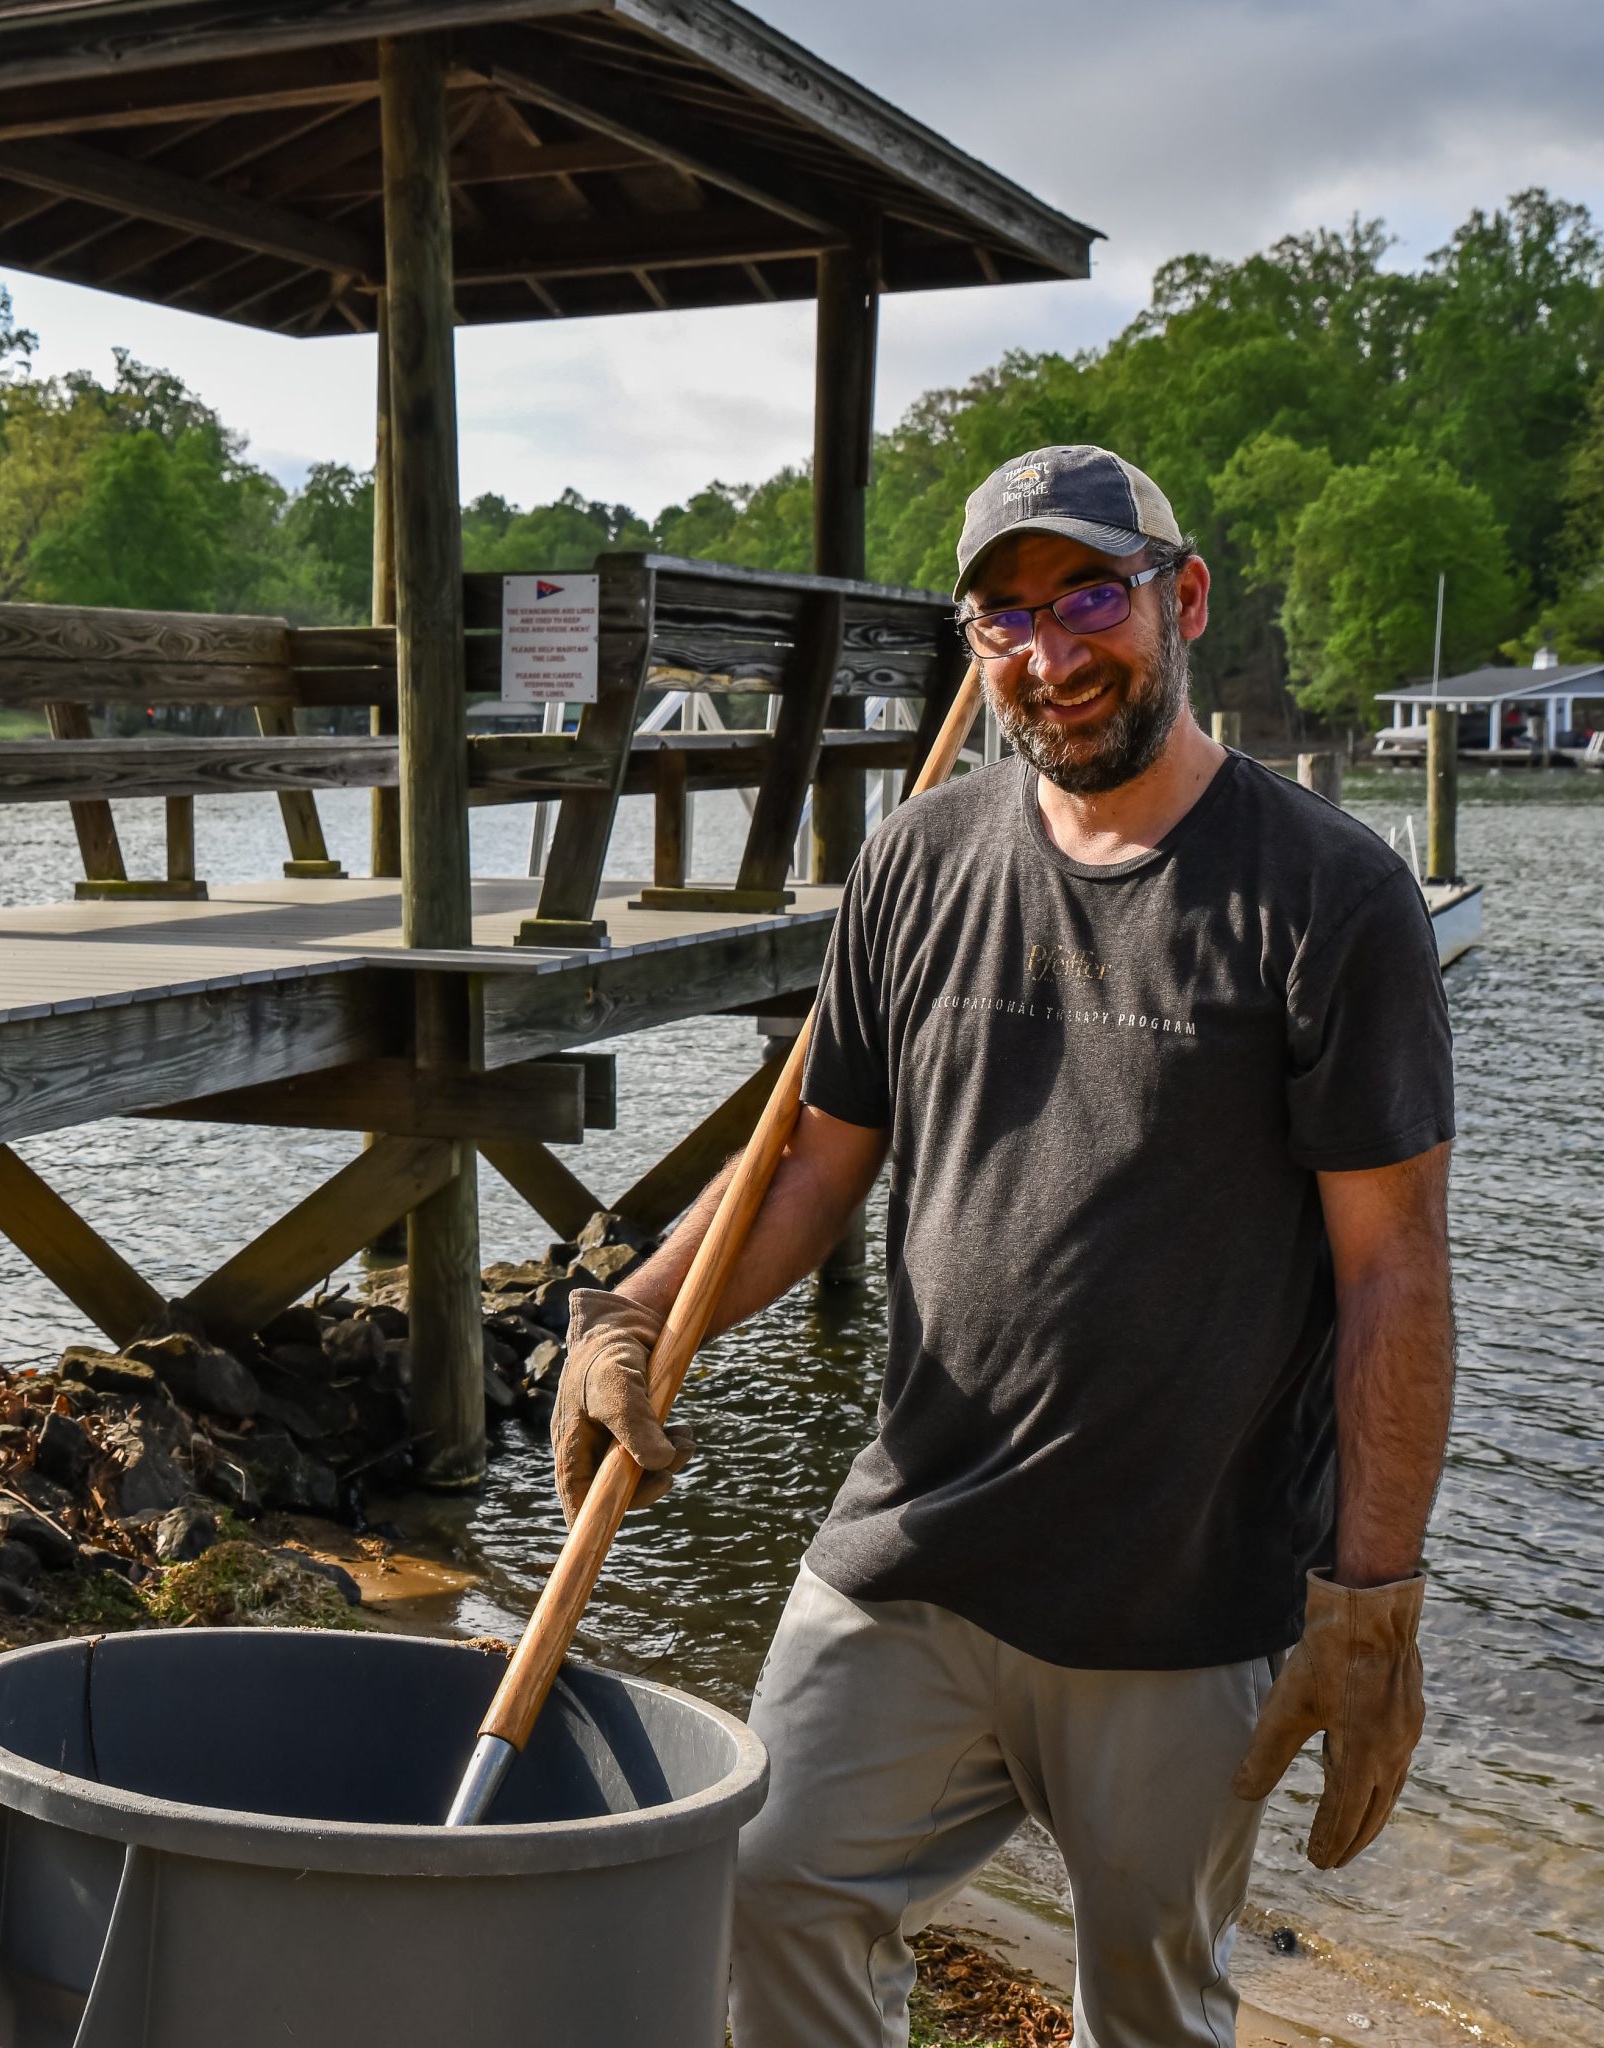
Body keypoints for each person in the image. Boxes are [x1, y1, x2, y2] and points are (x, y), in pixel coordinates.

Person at [552, 447, 1455, 2046]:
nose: (1050, 652)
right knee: (768, 1887)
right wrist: (624, 1311)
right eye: (1006, 617)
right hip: (919, 1545)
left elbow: (1392, 1265)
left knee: (1151, 2013)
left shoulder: (1331, 897)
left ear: (1179, 600)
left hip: (1180, 1595)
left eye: (1087, 597)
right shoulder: (915, 862)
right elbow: (808, 1173)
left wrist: (1373, 1602)